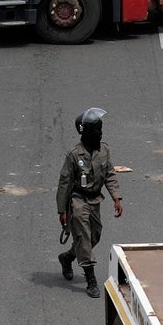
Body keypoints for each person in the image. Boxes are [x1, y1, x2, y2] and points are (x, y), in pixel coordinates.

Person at [56, 107, 124, 298]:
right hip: (78, 200)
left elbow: (110, 174)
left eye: (101, 129)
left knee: (94, 235)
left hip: (95, 199)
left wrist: (116, 198)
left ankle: (67, 257)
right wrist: (62, 210)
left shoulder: (104, 151)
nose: (100, 133)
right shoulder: (74, 155)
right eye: (96, 129)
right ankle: (91, 280)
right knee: (83, 237)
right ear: (85, 132)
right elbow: (64, 183)